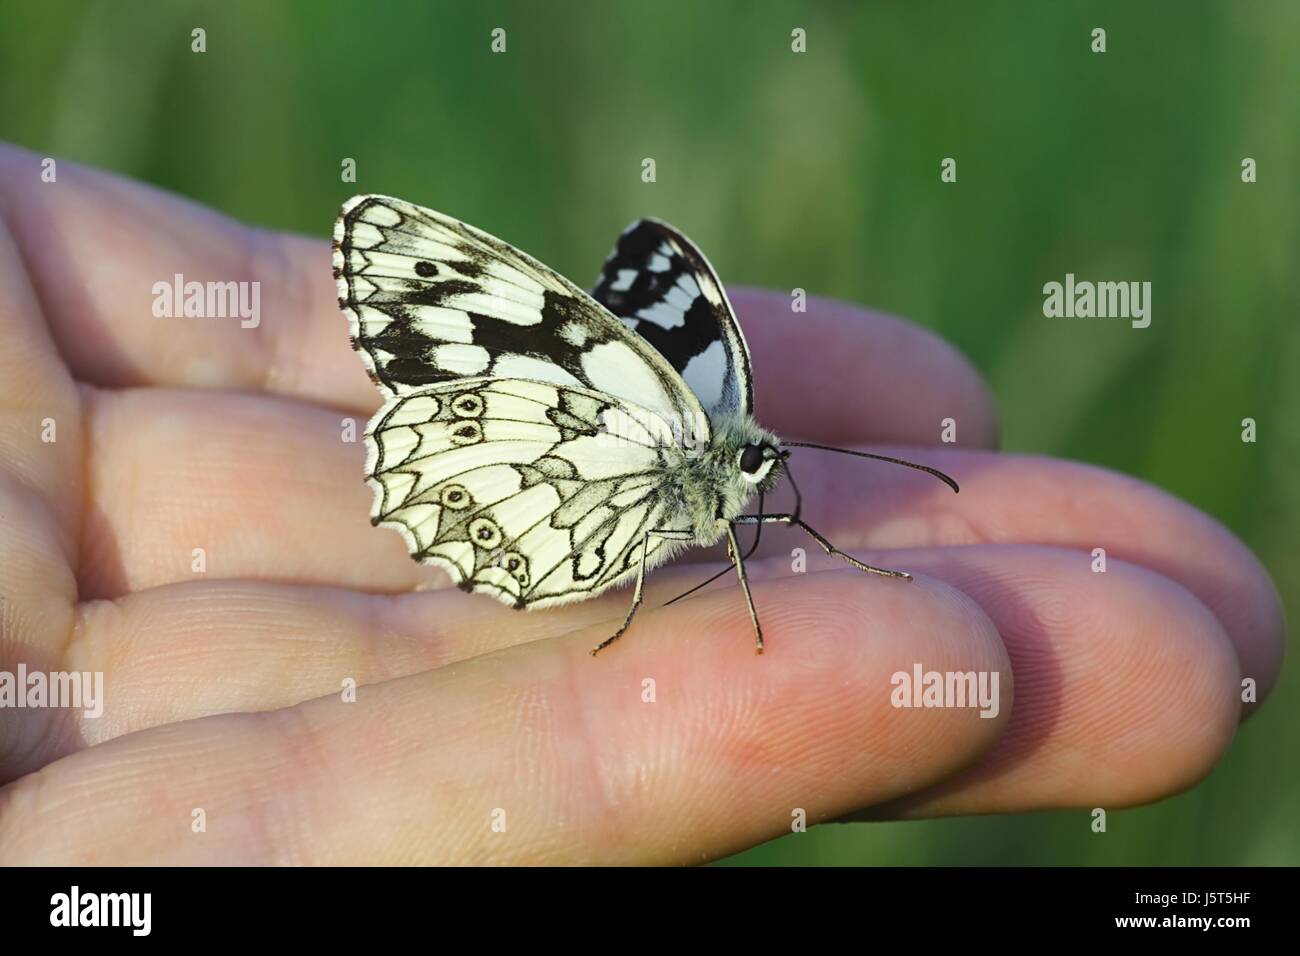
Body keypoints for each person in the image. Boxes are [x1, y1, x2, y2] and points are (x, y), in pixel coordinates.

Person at [0, 146, 1283, 864]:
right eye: (762, 466)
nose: (770, 475)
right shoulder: (687, 426)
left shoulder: (730, 444)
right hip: (505, 469)